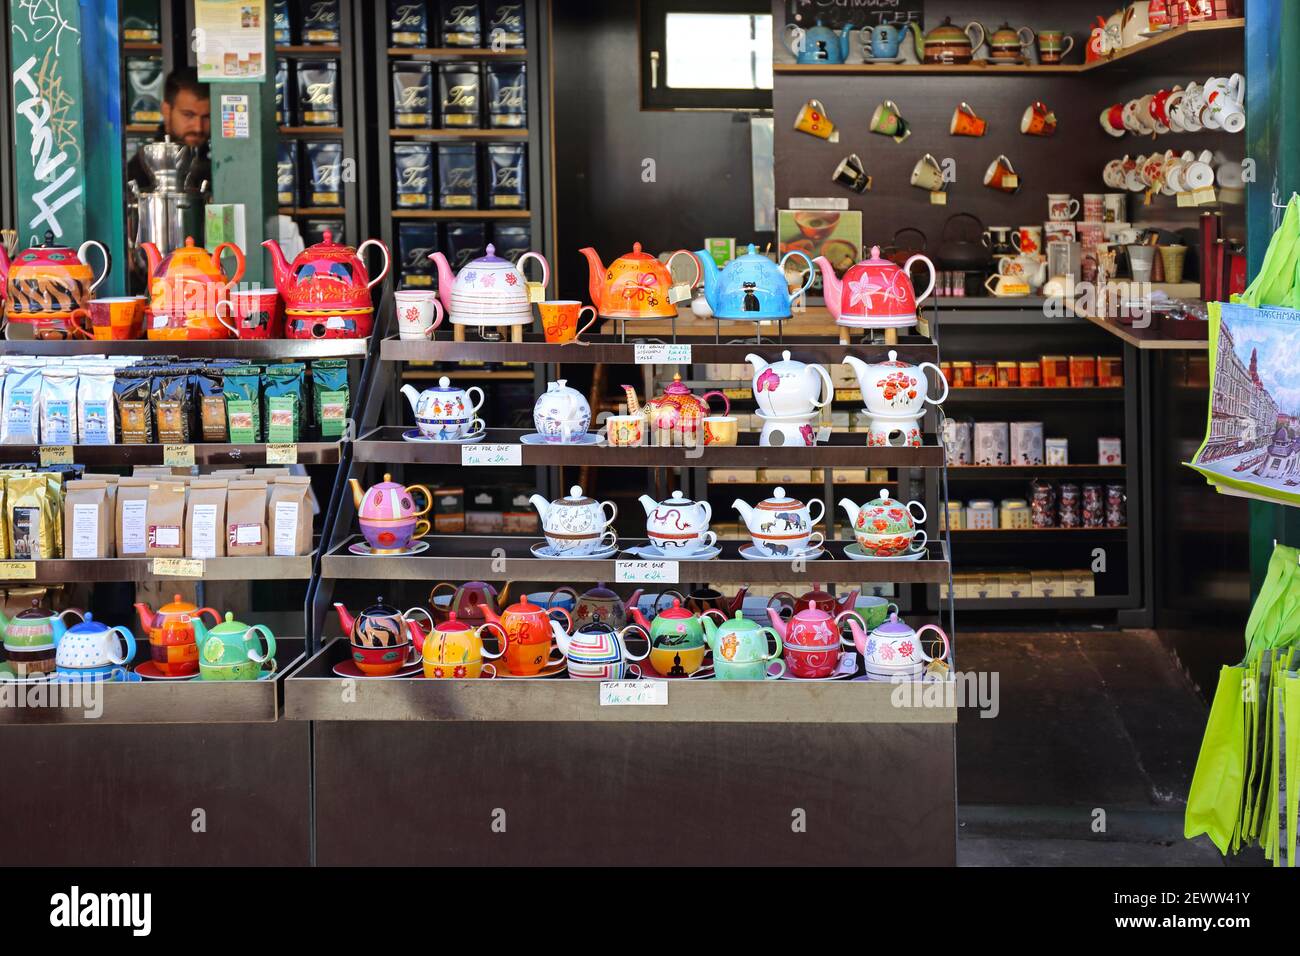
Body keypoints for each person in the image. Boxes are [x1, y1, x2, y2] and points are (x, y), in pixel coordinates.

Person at [127, 68, 212, 192]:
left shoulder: (217, 170)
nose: (198, 127)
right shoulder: (141, 169)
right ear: (166, 111)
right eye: (188, 115)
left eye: (206, 117)